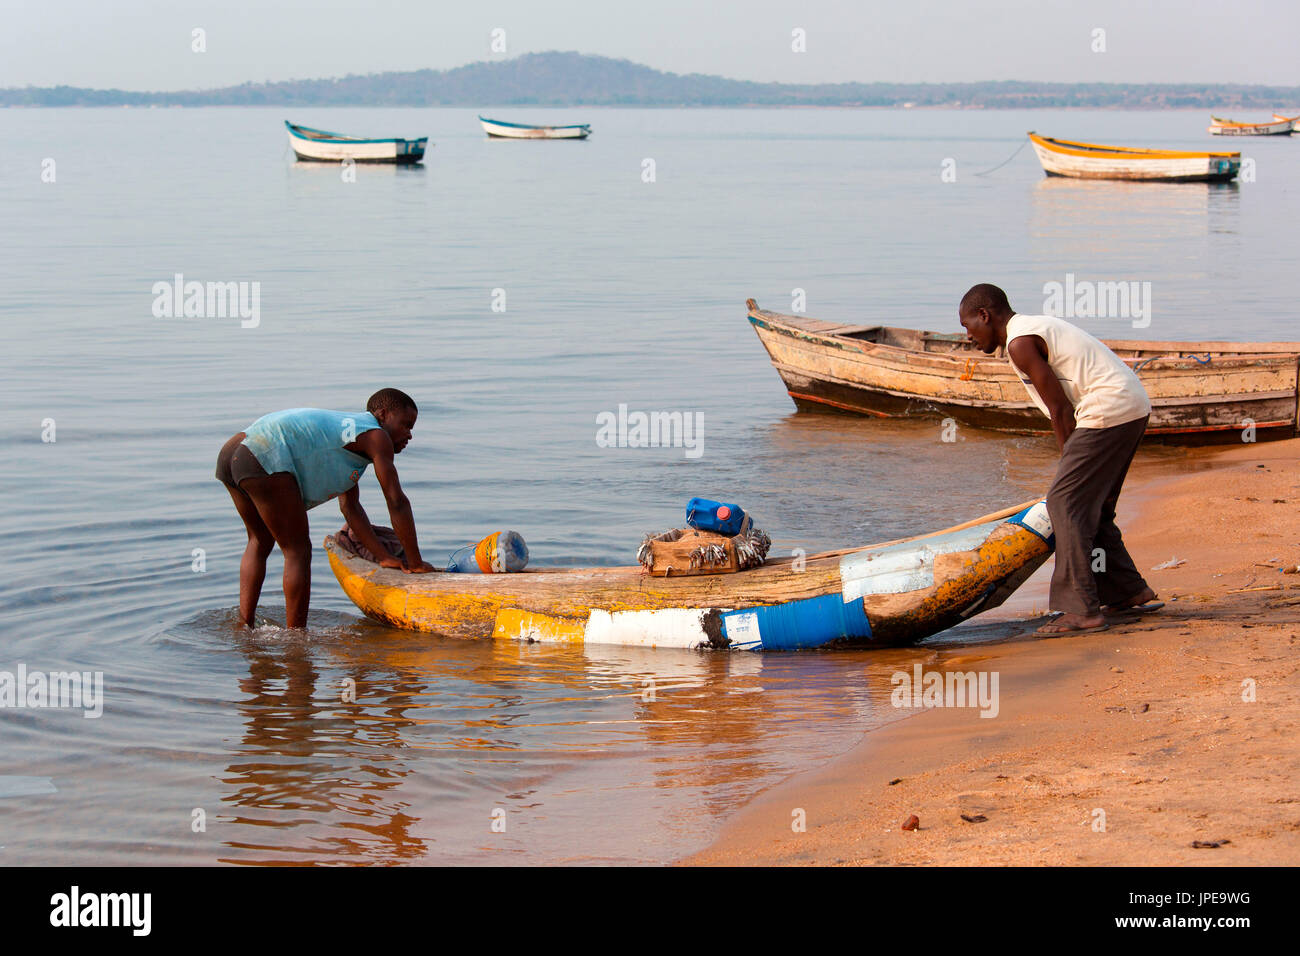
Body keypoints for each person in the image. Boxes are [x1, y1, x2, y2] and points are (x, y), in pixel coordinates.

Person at [958, 283, 1162, 636]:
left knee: (1064, 503)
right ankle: (1127, 591)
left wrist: (1068, 462)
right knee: (1093, 509)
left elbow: (1060, 409)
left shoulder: (1019, 343)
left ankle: (1079, 610)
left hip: (1107, 410)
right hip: (1130, 405)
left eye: (967, 327)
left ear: (984, 316)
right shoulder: (1028, 330)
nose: (968, 337)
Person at [215, 388, 434, 629]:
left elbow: (351, 508)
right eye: (406, 425)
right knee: (297, 550)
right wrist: (415, 563)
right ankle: (296, 638)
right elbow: (396, 501)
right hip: (263, 451)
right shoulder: (376, 436)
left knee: (259, 540)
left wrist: (384, 557)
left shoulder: (348, 435)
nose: (409, 435)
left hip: (234, 451)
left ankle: (244, 626)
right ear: (382, 415)